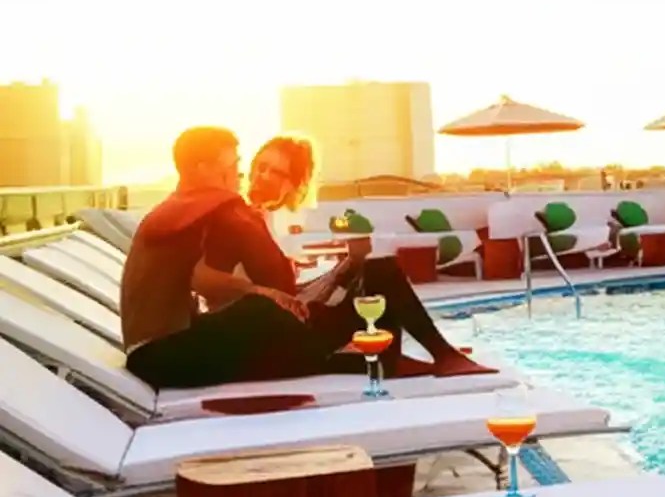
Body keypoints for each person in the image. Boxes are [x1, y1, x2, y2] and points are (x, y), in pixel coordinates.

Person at [192, 134, 492, 378]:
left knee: (368, 274)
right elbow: (217, 289)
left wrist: (345, 269)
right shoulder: (235, 220)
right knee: (381, 272)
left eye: (276, 172)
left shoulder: (265, 219)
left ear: (295, 183)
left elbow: (287, 295)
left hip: (280, 330)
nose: (263, 176)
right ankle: (437, 355)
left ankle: (396, 359)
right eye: (261, 166)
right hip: (264, 342)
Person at [120, 127, 356, 389]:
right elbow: (201, 279)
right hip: (159, 357)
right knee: (259, 309)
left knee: (260, 309)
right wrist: (260, 291)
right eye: (231, 166)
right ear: (202, 169)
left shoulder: (183, 207)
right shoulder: (201, 206)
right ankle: (332, 352)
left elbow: (197, 275)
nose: (238, 174)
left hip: (154, 353)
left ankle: (332, 351)